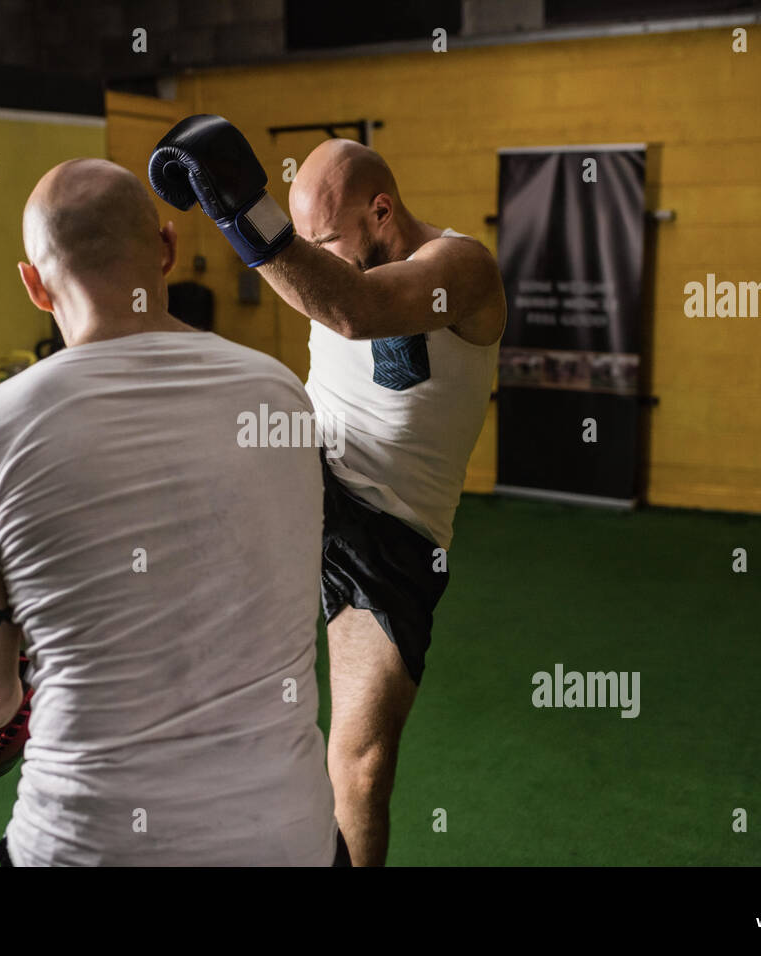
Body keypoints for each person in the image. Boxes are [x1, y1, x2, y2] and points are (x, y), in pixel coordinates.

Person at [0, 158, 341, 866]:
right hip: (288, 840)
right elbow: (174, 498)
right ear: (166, 248)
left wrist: (32, 641)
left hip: (84, 845)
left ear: (34, 286)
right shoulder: (280, 396)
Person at [149, 116, 506, 865]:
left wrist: (242, 216)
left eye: (327, 242)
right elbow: (327, 287)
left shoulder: (464, 269)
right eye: (304, 246)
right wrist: (257, 227)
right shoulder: (324, 260)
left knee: (362, 767)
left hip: (396, 536)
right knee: (176, 428)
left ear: (382, 211)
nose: (314, 264)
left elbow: (356, 310)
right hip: (307, 468)